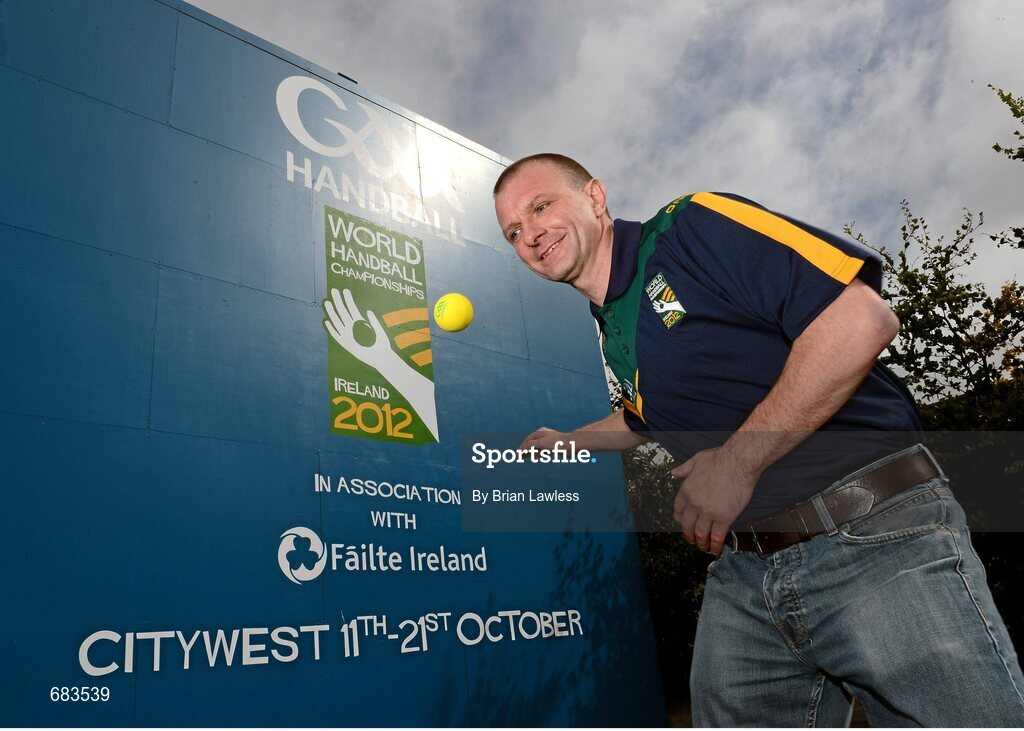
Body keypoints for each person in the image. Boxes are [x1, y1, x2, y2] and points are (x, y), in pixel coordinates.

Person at [493, 152, 1024, 726]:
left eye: (540, 206)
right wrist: (568, 439)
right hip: (746, 573)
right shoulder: (613, 326)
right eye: (513, 233)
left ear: (595, 196)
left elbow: (860, 320)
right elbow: (642, 420)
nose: (530, 236)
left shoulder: (690, 226)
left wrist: (736, 463)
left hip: (871, 532)